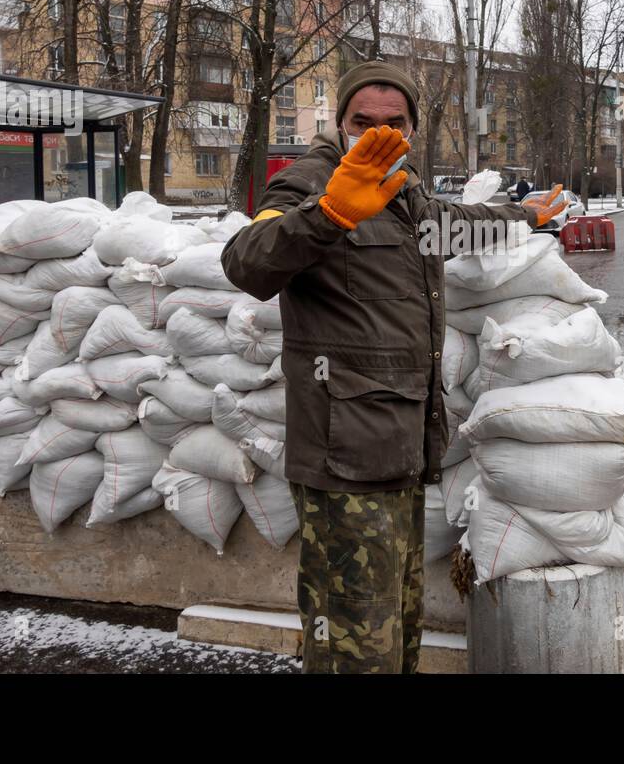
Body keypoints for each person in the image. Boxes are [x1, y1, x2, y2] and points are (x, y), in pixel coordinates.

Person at [220, 61, 565, 674]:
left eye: (394, 122)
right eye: (363, 121)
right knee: (354, 639)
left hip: (401, 447)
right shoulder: (309, 181)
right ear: (341, 120)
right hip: (343, 457)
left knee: (396, 626)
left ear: (412, 129)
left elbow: (454, 226)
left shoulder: (404, 187)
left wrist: (525, 217)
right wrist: (329, 213)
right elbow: (248, 264)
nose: (378, 133)